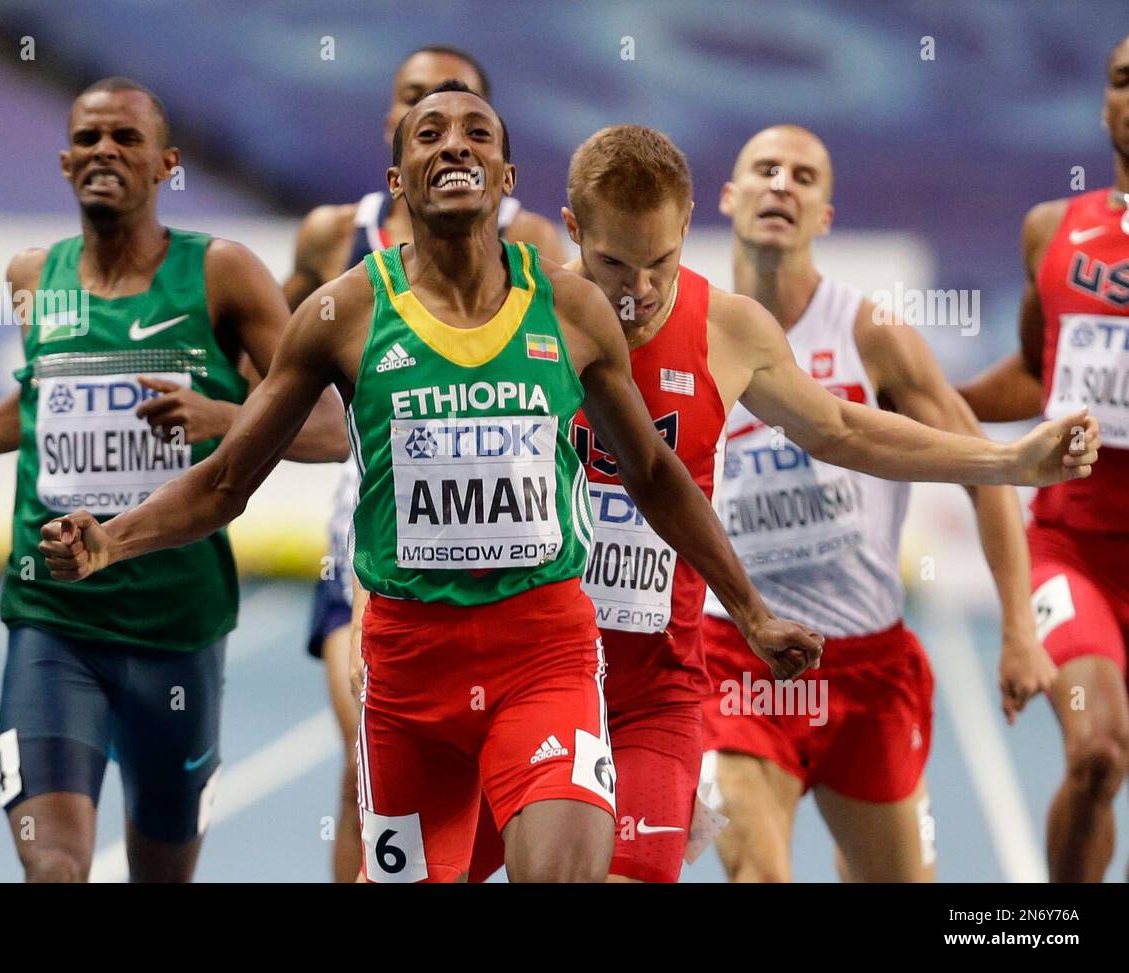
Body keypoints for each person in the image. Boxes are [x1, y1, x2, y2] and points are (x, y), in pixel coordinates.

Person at [38, 81, 833, 883]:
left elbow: (655, 474)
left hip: (544, 654)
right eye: (428, 133)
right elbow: (225, 482)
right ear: (397, 181)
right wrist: (111, 540)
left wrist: (753, 612)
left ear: (505, 175)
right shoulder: (340, 316)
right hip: (410, 682)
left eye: (476, 132)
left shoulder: (572, 310)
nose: (454, 143)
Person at [465, 124, 1089, 884]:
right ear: (573, 231)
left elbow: (842, 427)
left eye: (659, 264)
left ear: (690, 224)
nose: (639, 293)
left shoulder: (733, 331)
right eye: (614, 266)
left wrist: (1008, 460)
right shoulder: (517, 315)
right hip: (540, 670)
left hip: (664, 688)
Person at [0, 77, 348, 883]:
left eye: (125, 138)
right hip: (55, 623)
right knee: (54, 868)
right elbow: (42, 404)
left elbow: (332, 426)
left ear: (167, 164)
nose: (104, 153)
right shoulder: (31, 277)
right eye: (88, 139)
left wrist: (224, 415)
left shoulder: (221, 273)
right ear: (64, 161)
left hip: (176, 631)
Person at [284, 45, 565, 883]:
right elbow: (278, 362)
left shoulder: (535, 245)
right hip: (366, 551)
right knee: (361, 763)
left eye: (470, 116)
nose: (448, 136)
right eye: (420, 110)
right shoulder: (337, 234)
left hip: (510, 581)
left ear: (499, 152)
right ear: (394, 135)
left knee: (499, 795)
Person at [958, 34, 1129, 882]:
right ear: (1105, 105)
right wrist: (932, 406)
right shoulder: (1053, 230)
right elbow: (1035, 374)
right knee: (1096, 750)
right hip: (1071, 551)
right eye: (1125, 81)